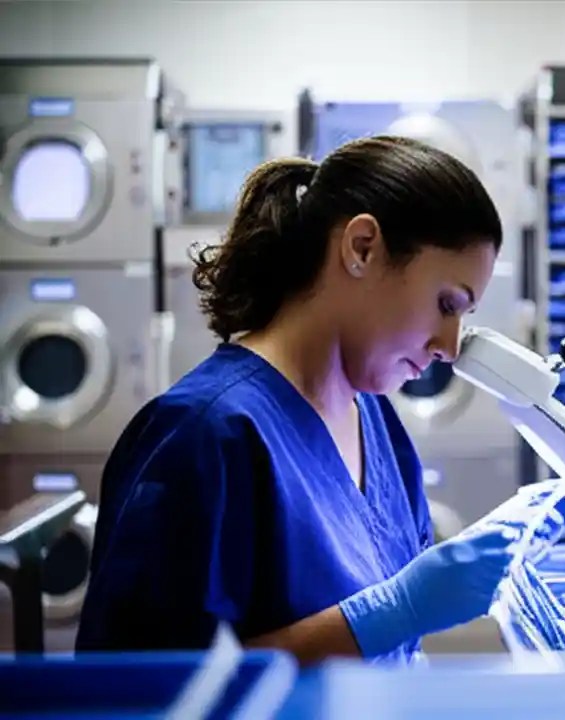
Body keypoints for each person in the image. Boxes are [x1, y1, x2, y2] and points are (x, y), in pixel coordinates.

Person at [76, 136, 519, 665]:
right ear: (361, 248)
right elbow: (145, 689)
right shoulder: (204, 434)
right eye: (447, 304)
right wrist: (393, 612)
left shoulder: (374, 420)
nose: (449, 347)